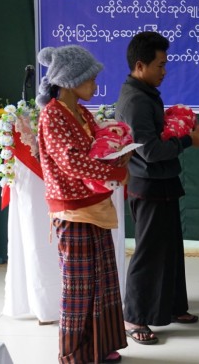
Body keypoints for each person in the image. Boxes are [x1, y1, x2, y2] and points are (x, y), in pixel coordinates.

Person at [35, 45, 130, 364]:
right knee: (78, 286)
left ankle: (100, 346)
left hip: (94, 205)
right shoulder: (53, 114)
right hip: (72, 210)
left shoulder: (82, 112)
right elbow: (72, 161)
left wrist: (121, 149)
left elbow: (95, 149)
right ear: (69, 80)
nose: (94, 84)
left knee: (102, 280)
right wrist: (115, 170)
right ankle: (74, 353)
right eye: (90, 79)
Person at [115, 31, 199, 345]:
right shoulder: (135, 100)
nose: (164, 71)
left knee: (169, 248)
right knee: (148, 252)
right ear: (140, 65)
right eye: (160, 65)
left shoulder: (145, 93)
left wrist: (183, 130)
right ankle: (134, 316)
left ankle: (172, 306)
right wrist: (188, 141)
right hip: (148, 185)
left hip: (163, 183)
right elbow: (150, 150)